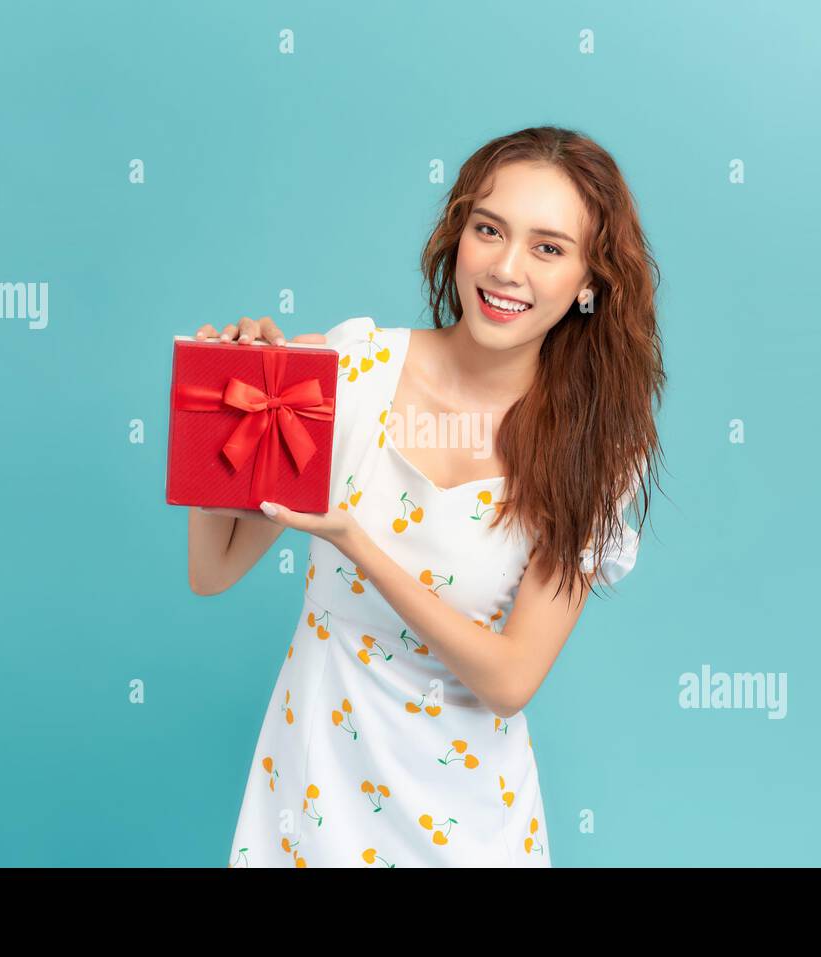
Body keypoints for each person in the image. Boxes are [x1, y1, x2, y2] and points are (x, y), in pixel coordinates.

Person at [189, 126, 666, 867]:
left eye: (548, 248)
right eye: (489, 230)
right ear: (458, 236)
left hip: (471, 825)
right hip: (316, 803)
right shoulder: (348, 371)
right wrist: (226, 408)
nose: (507, 268)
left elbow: (512, 679)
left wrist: (358, 544)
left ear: (589, 281)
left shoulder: (594, 454)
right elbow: (212, 569)